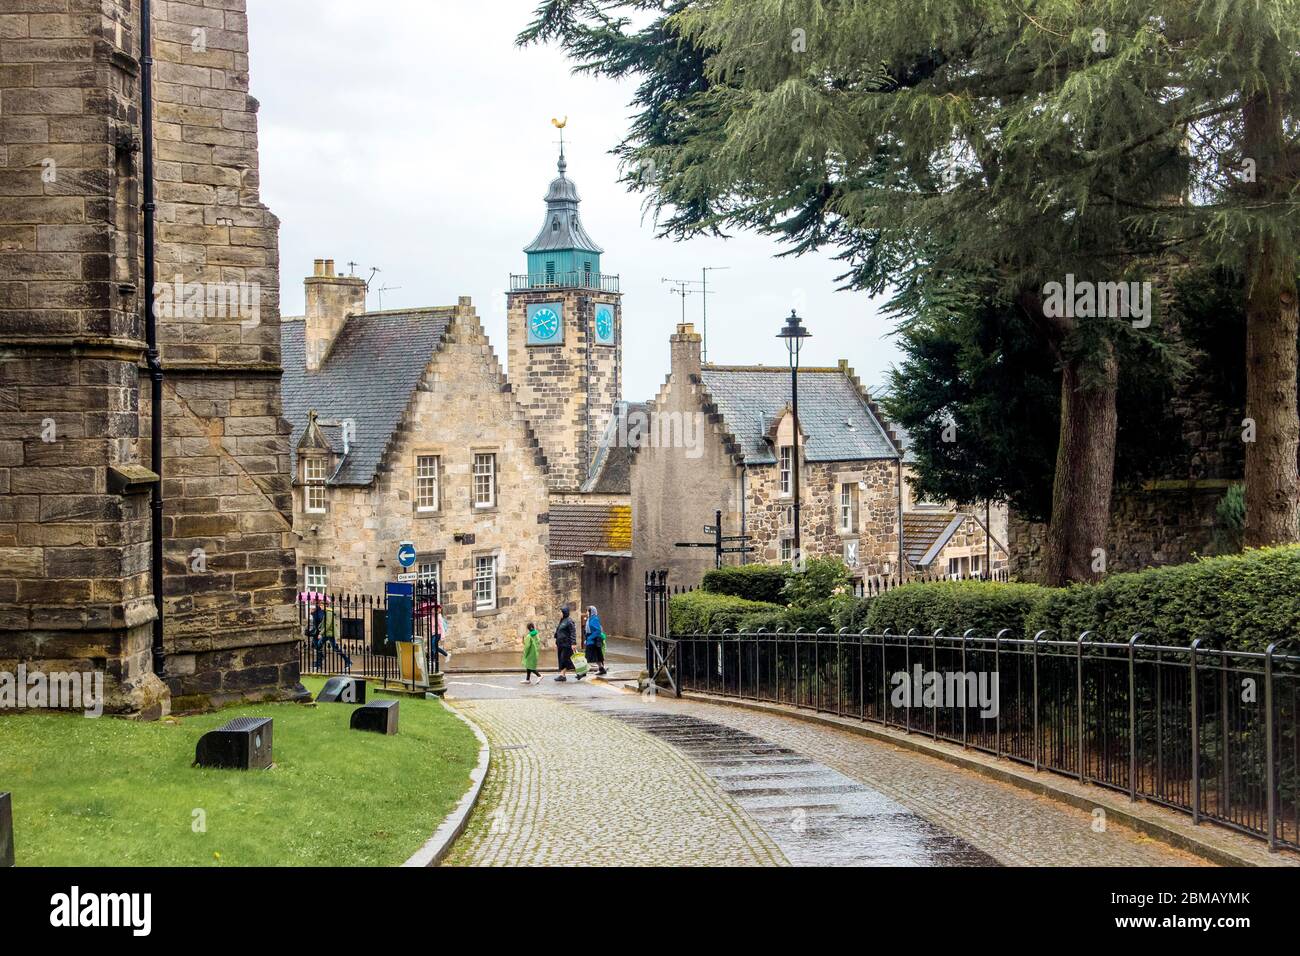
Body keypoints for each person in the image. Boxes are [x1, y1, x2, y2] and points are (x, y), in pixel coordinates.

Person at [308, 598, 351, 672]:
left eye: (321, 605)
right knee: (320, 646)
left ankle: (348, 661)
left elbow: (328, 624)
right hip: (327, 633)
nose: (320, 606)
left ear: (325, 605)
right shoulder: (326, 612)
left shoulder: (329, 612)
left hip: (329, 633)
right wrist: (319, 628)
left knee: (333, 648)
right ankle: (319, 664)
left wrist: (321, 633)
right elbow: (324, 623)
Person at [553, 605, 577, 681]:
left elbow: (573, 632)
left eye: (560, 612)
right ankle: (579, 672)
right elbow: (558, 632)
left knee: (565, 660)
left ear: (564, 612)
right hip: (561, 644)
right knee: (564, 660)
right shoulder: (562, 620)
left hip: (567, 644)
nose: (559, 613)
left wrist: (573, 643)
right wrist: (556, 642)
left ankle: (562, 675)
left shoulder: (569, 621)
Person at [584, 605, 607, 676]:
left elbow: (597, 631)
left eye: (588, 611)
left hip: (593, 641)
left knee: (587, 657)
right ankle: (601, 669)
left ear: (591, 612)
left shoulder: (594, 619)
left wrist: (589, 638)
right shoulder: (590, 619)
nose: (586, 612)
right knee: (597, 656)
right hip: (591, 640)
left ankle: (582, 672)